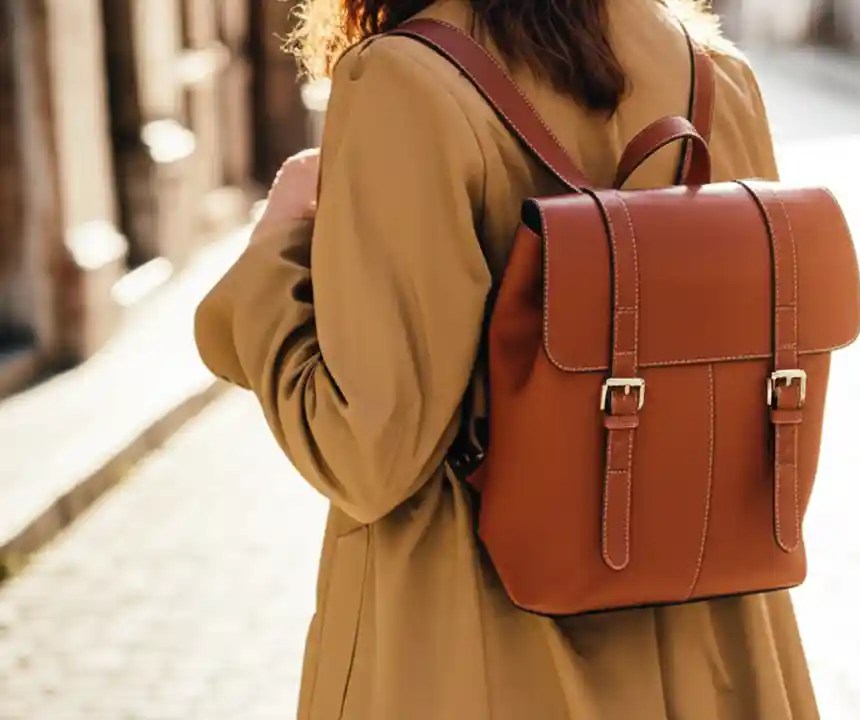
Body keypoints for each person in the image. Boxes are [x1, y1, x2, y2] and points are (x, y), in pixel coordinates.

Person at [194, 0, 818, 717]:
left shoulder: (406, 81)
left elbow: (367, 452)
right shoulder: (715, 75)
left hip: (478, 646)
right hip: (712, 651)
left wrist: (272, 256)